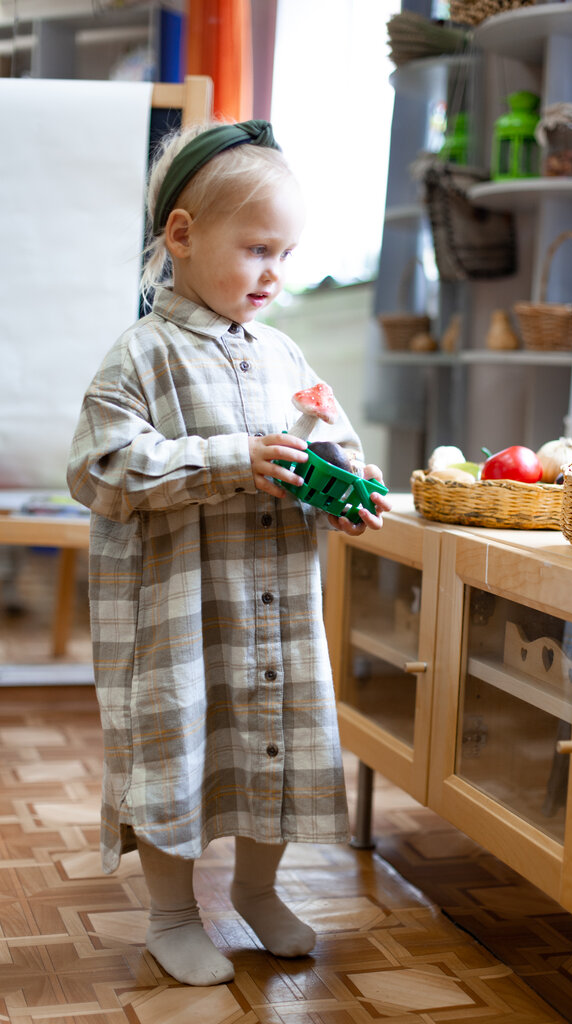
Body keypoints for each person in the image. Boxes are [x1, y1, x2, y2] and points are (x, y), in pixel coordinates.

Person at [67, 119, 391, 986]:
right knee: (174, 751)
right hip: (177, 614)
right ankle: (172, 915)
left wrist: (348, 484)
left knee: (272, 740)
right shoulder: (140, 356)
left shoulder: (285, 353)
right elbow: (99, 468)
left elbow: (327, 440)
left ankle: (257, 888)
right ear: (181, 235)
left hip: (275, 607)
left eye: (285, 255)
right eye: (256, 250)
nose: (274, 274)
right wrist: (227, 459)